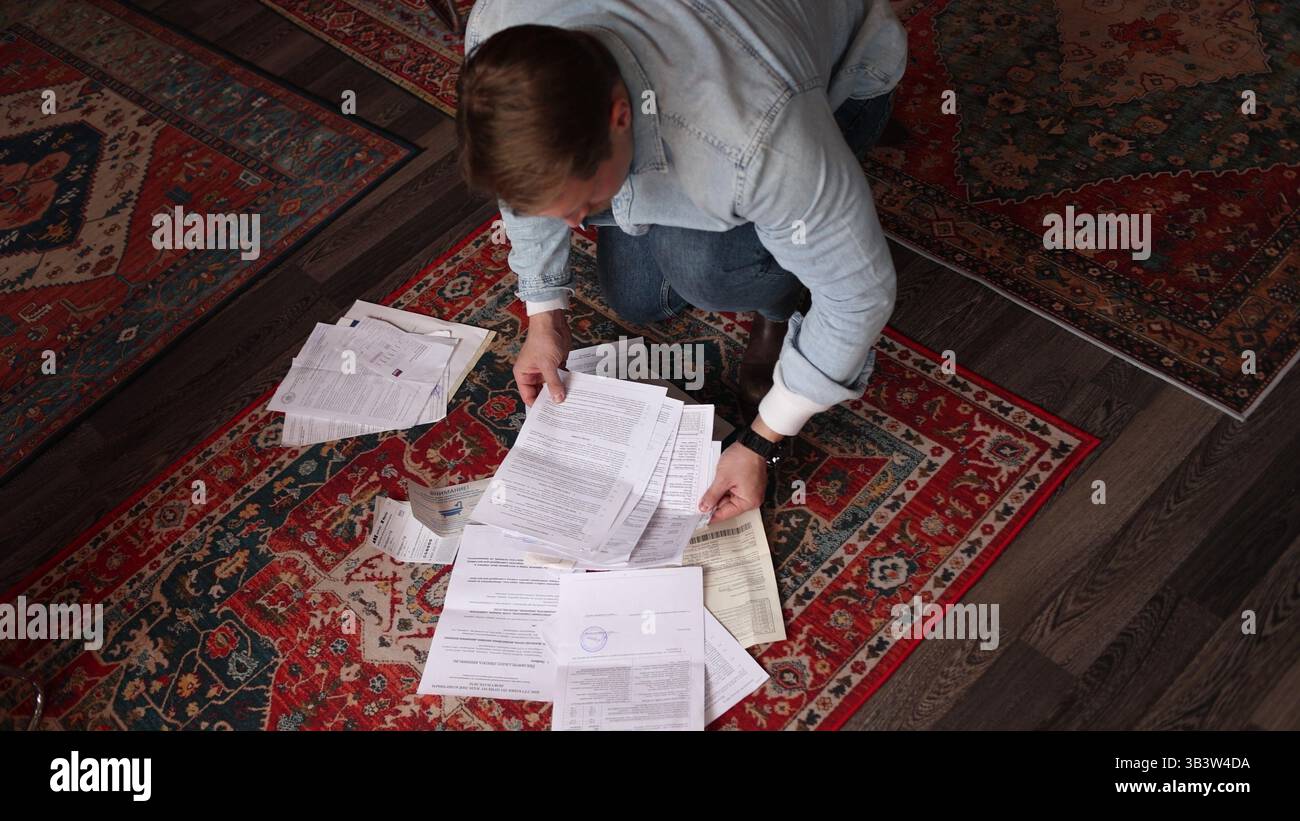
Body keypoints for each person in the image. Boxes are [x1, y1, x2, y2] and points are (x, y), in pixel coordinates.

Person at [456, 0, 906, 522]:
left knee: (705, 273)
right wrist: (544, 315)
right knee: (638, 299)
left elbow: (859, 295)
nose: (575, 225)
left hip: (840, 75)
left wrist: (763, 438)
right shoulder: (500, 35)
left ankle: (779, 305)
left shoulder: (760, 138)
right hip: (691, 118)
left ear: (620, 117)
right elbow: (523, 180)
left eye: (584, 202)